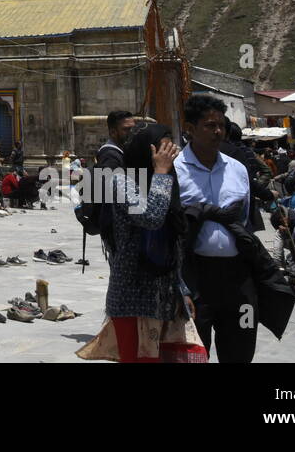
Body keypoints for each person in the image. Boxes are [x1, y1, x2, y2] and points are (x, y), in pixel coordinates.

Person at [77, 126, 205, 363]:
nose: (169, 155)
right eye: (162, 149)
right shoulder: (121, 181)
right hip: (132, 299)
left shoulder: (164, 183)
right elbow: (151, 217)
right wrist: (162, 172)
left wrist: (182, 289)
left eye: (171, 149)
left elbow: (172, 244)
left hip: (165, 297)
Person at [173, 92, 257, 363]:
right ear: (190, 129)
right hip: (195, 276)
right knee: (195, 354)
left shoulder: (237, 169)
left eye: (221, 125)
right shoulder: (174, 171)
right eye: (210, 125)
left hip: (237, 277)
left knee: (240, 349)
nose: (218, 131)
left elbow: (244, 220)